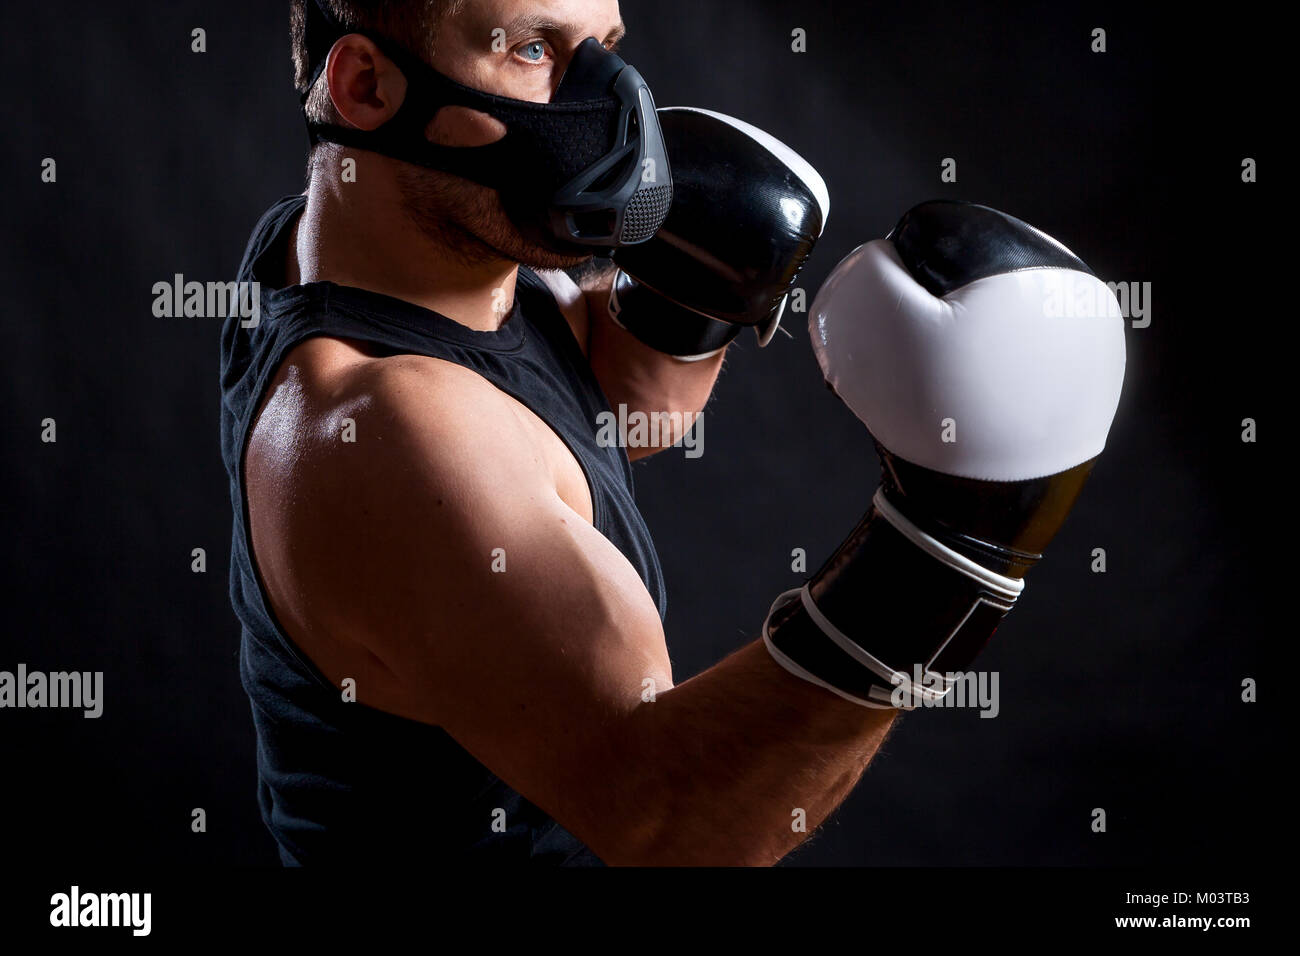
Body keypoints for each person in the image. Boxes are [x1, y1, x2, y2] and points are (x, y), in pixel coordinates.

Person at [219, 0, 1124, 866]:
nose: (610, 100)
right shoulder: (391, 440)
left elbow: (598, 414)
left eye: (606, 43)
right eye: (534, 50)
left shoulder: (380, 242)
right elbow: (676, 828)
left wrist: (690, 296)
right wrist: (951, 547)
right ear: (367, 87)